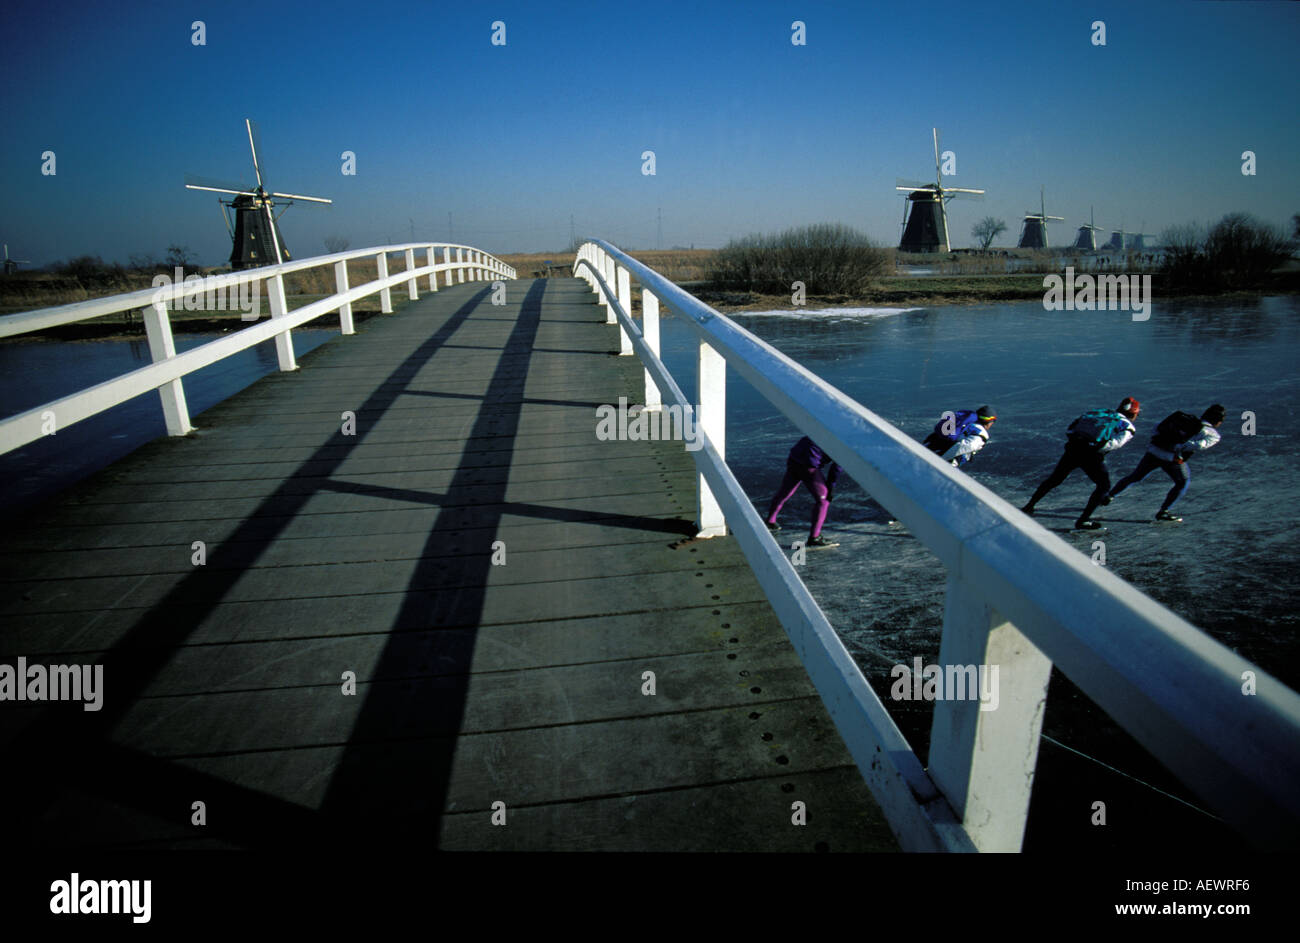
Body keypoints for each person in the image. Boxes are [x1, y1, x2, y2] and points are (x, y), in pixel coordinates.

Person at [1021, 397, 1141, 530]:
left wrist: (1078, 443)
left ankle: (1029, 505)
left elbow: (1071, 429)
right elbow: (1115, 443)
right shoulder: (1127, 425)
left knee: (1055, 479)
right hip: (1091, 455)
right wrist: (1095, 449)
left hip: (1073, 449)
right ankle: (1083, 520)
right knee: (1104, 486)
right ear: (1134, 413)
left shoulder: (1100, 412)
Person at [1104, 404, 1225, 521]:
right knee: (1182, 481)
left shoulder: (1183, 419)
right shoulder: (1212, 434)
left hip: (1154, 451)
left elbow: (1157, 428)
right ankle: (1164, 511)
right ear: (1218, 421)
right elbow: (1199, 446)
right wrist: (1176, 447)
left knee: (1136, 476)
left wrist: (1161, 443)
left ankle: (1109, 496)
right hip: (1172, 459)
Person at [766, 436, 839, 549]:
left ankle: (770, 521)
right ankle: (814, 538)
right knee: (824, 501)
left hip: (796, 457)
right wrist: (831, 487)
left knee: (785, 491)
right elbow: (837, 467)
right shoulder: (849, 442)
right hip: (809, 464)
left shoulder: (830, 426)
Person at [922, 405, 997, 467]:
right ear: (989, 422)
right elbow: (962, 447)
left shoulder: (965, 423)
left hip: (930, 447)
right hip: (946, 459)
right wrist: (940, 461)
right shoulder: (981, 433)